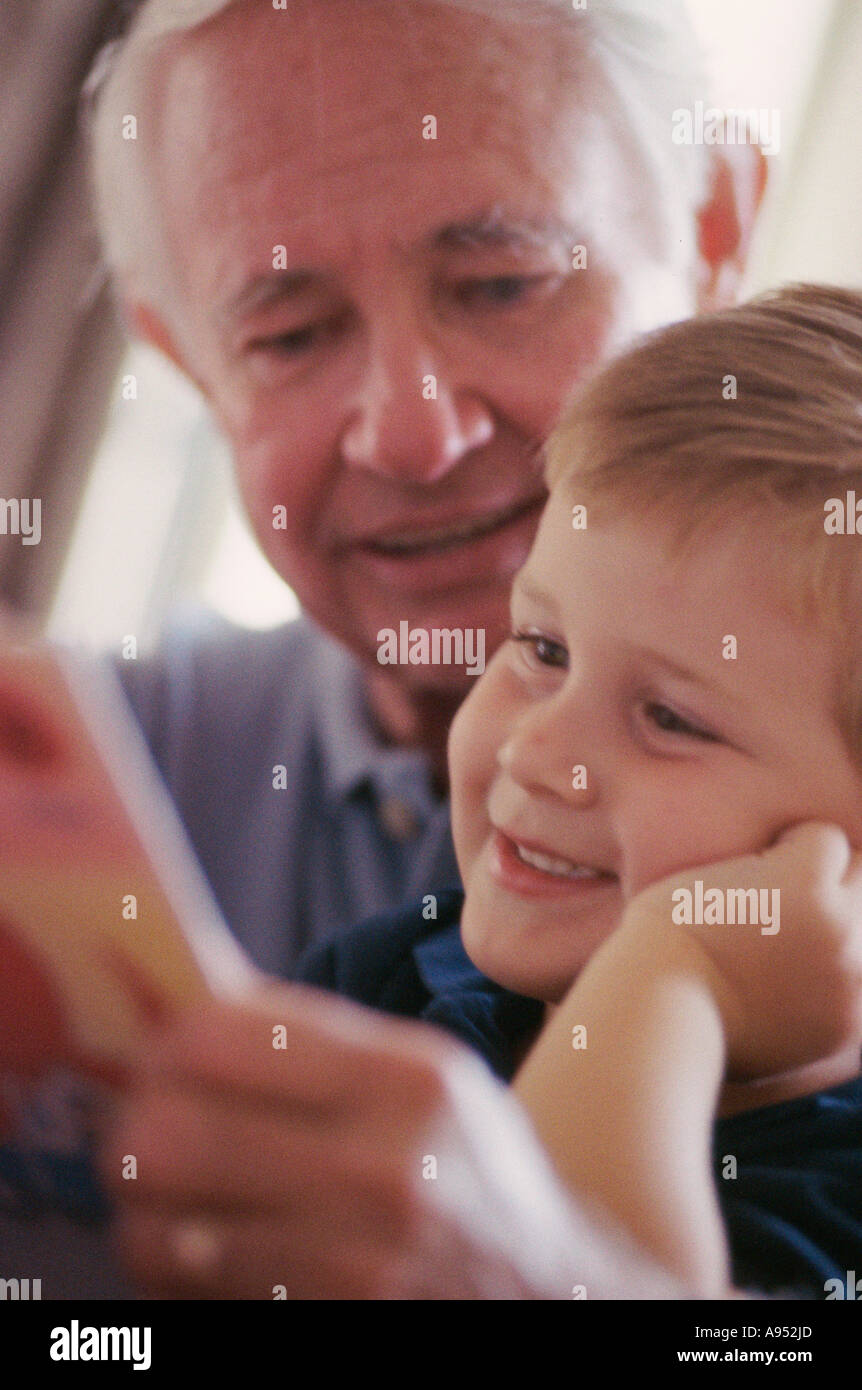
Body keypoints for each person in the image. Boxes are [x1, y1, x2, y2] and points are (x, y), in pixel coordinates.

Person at [1, 0, 768, 1298]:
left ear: (710, 234)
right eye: (289, 333)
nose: (409, 436)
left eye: (502, 282)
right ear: (191, 363)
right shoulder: (83, 788)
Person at [280, 284, 862, 1297]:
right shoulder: (393, 979)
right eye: (541, 648)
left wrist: (674, 971)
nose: (539, 749)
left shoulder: (836, 1201)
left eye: (672, 719)